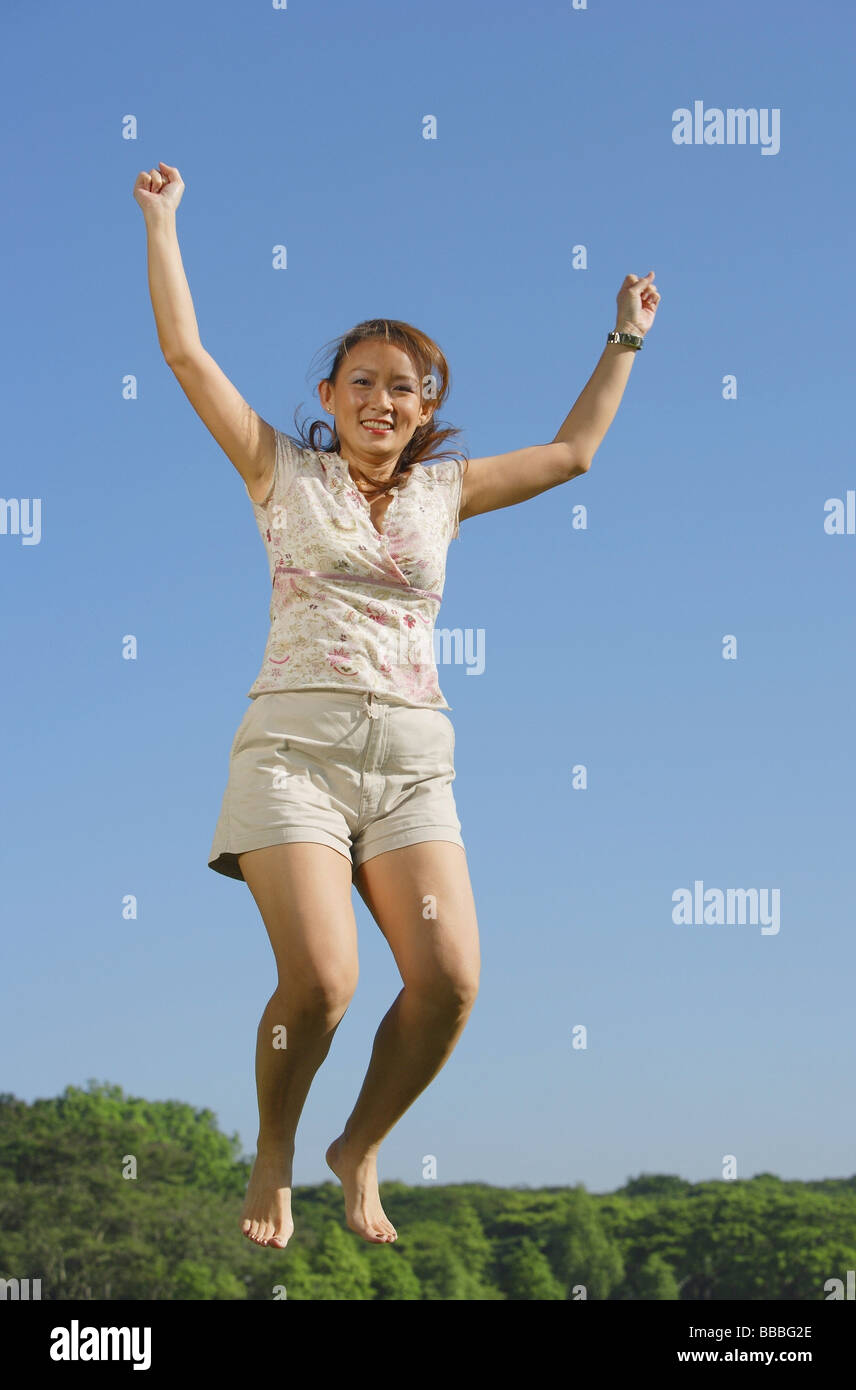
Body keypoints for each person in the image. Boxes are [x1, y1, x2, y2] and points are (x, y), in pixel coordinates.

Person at [133, 160, 661, 1251]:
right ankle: (277, 1143)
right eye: (363, 382)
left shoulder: (444, 491)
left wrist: (623, 337)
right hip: (296, 751)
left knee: (451, 982)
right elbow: (185, 353)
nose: (384, 401)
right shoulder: (280, 470)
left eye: (407, 389)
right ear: (329, 397)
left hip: (414, 760)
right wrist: (164, 221)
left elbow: (573, 452)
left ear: (428, 414)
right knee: (324, 980)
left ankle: (357, 1143)